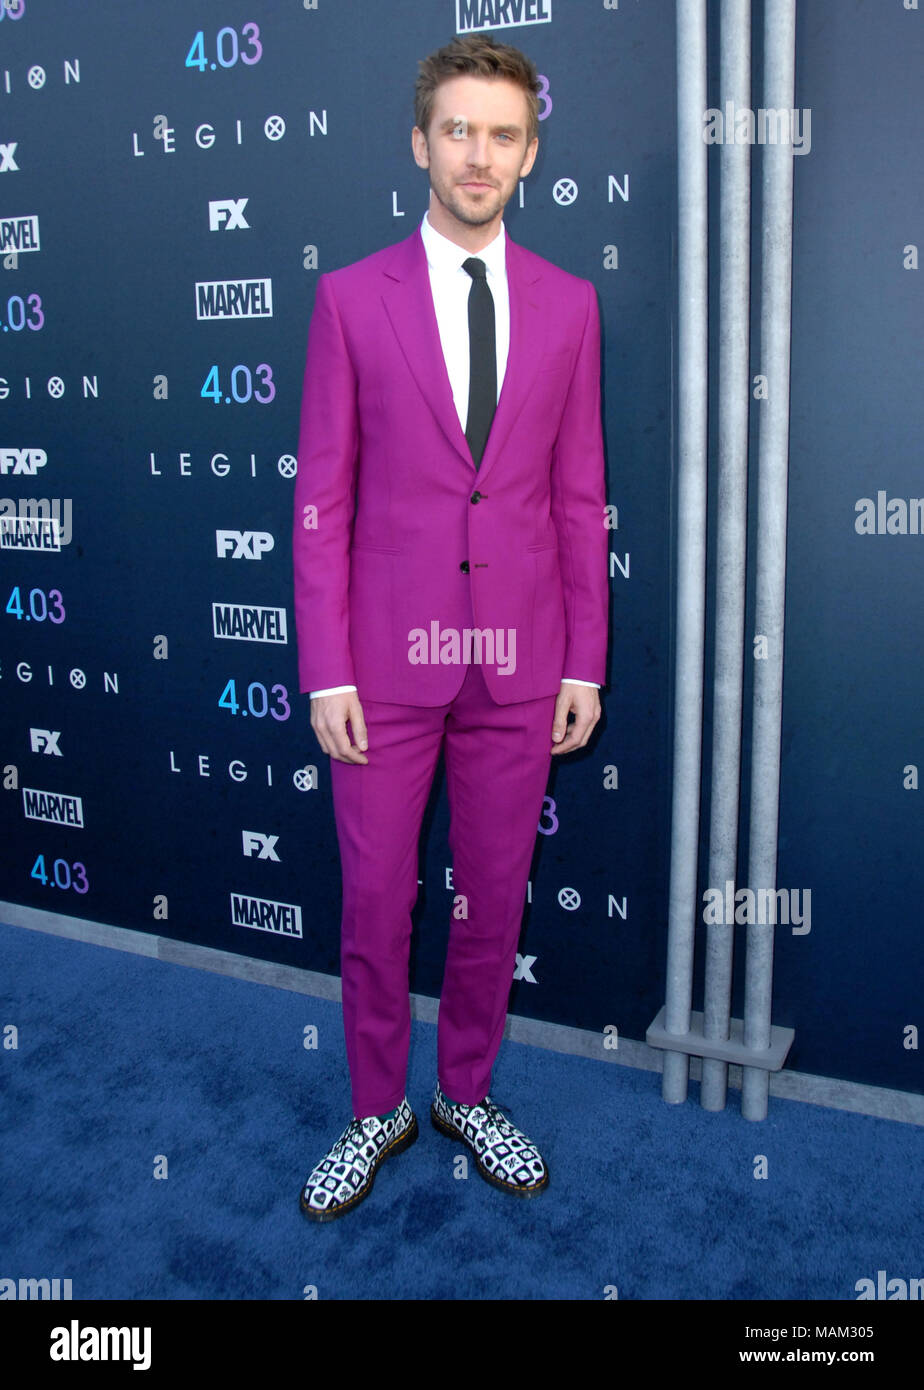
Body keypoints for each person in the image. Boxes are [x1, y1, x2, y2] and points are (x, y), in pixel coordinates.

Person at [292, 33, 608, 1222]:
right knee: (379, 901)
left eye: (505, 136)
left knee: (493, 894)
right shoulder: (347, 299)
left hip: (520, 666)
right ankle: (378, 1107)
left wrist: (584, 657)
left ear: (531, 153)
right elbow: (321, 500)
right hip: (383, 666)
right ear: (420, 142)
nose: (481, 156)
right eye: (460, 131)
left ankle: (467, 1091)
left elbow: (578, 497)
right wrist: (326, 666)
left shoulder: (571, 306)